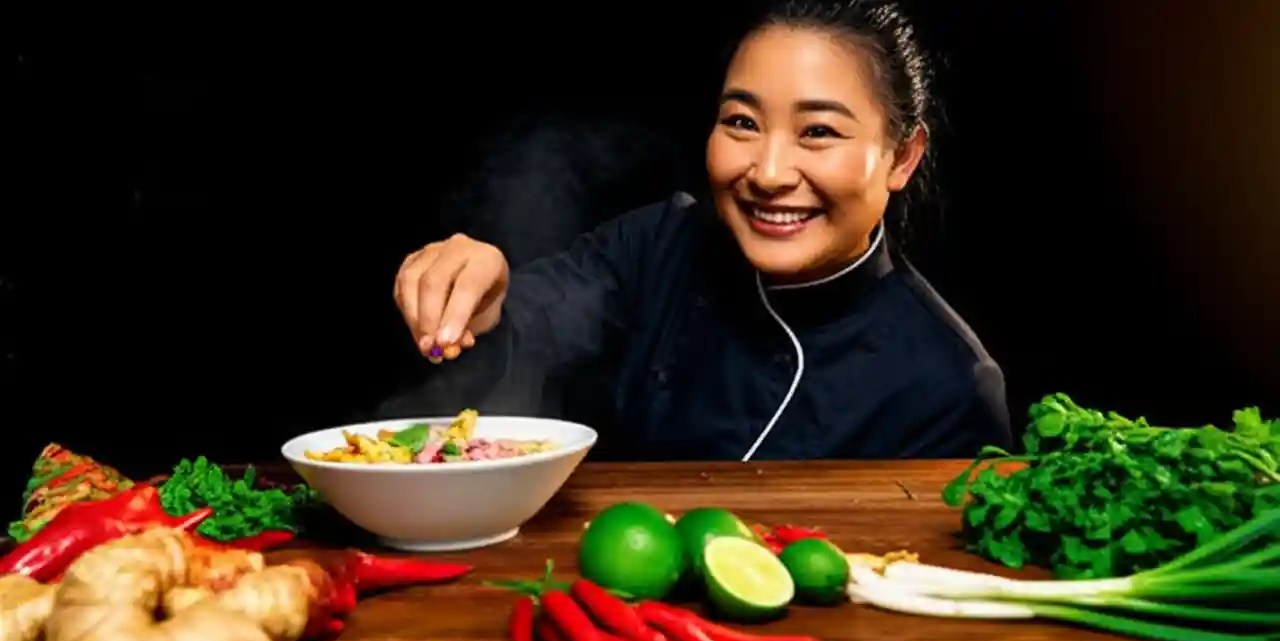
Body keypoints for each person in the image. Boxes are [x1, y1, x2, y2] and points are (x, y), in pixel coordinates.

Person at [380, 0, 1013, 461]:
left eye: (818, 131)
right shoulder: (658, 244)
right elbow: (529, 320)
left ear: (901, 157)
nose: (767, 173)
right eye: (742, 122)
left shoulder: (950, 386)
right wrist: (479, 296)